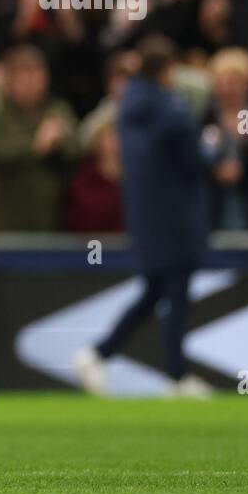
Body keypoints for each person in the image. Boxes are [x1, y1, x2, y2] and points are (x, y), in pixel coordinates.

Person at [74, 36, 213, 398]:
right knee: (176, 291)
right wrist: (214, 151)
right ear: (167, 70)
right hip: (175, 216)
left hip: (146, 216)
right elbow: (194, 161)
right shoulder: (172, 111)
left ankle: (97, 354)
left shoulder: (128, 108)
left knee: (155, 291)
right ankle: (177, 377)